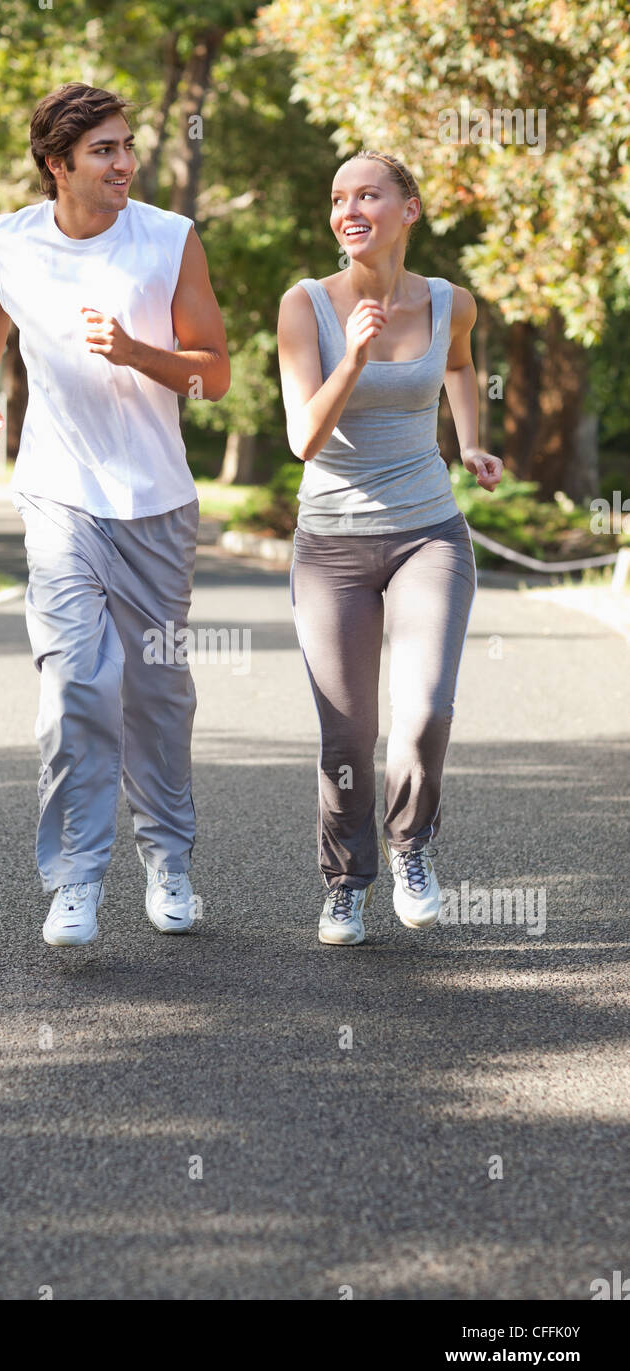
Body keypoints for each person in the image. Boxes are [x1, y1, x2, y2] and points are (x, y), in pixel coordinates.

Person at [0, 83, 230, 947]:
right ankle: (76, 877)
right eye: (104, 151)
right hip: (57, 490)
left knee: (155, 694)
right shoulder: (8, 239)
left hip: (156, 501)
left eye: (127, 147)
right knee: (78, 680)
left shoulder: (168, 239)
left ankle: (169, 858)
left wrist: (135, 351)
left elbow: (213, 374)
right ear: (58, 166)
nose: (125, 164)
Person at [277, 148, 502, 946]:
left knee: (427, 709)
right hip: (330, 545)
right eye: (337, 197)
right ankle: (345, 882)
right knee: (346, 736)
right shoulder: (306, 306)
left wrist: (470, 441)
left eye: (367, 193)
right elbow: (304, 436)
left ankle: (411, 847)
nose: (348, 209)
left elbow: (462, 366)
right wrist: (356, 357)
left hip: (427, 535)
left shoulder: (451, 302)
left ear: (409, 209)